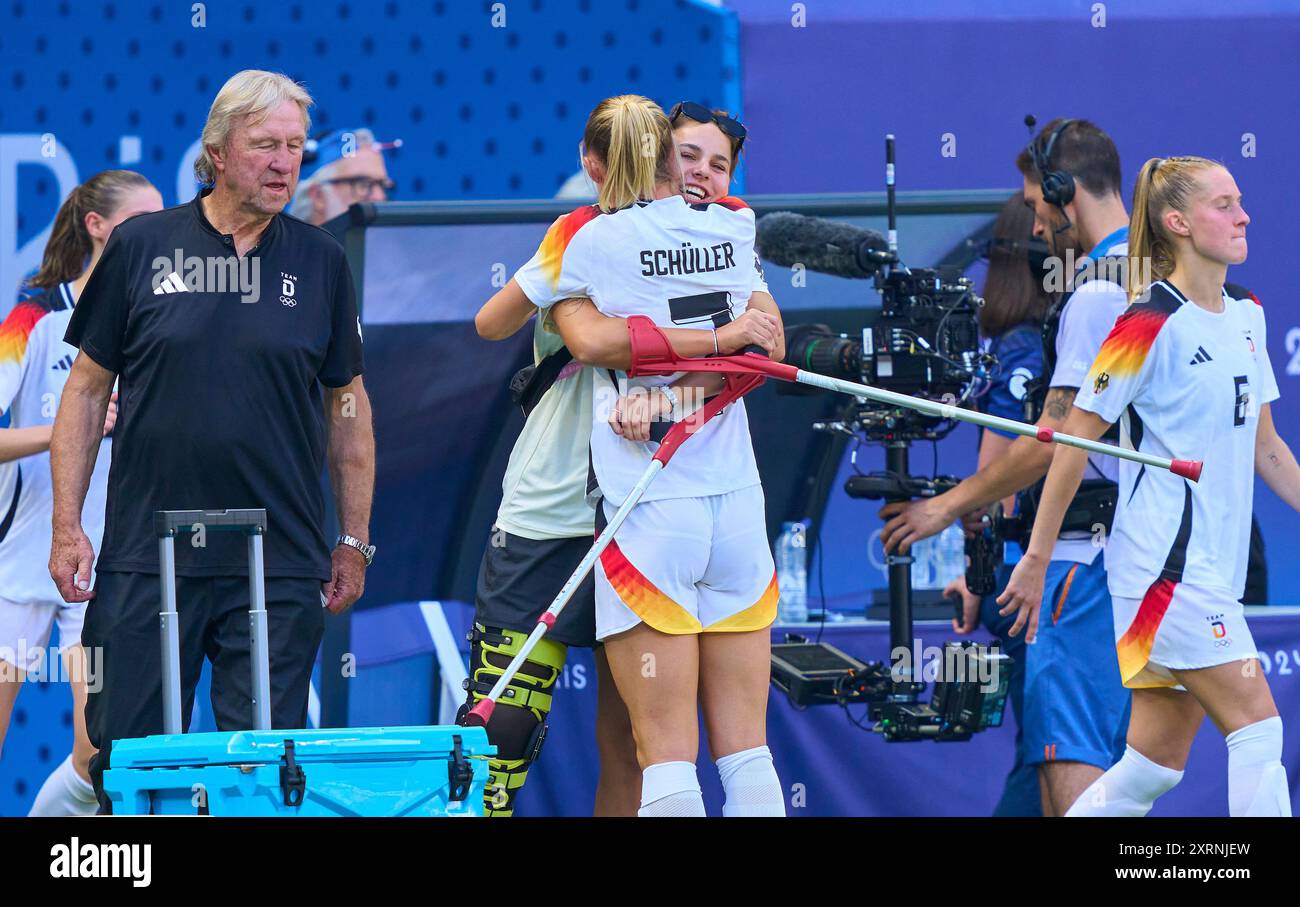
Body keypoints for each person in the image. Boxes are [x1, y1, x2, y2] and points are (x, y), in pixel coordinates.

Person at [49, 70, 374, 813]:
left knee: (260, 772)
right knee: (126, 761)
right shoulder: (142, 246)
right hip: (146, 552)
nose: (283, 162)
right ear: (217, 152)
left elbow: (347, 406)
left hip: (279, 557)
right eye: (265, 145)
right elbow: (87, 388)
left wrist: (353, 539)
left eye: (294, 146)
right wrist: (70, 525)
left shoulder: (321, 261)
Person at [469, 100, 782, 817]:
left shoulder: (726, 228)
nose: (698, 173)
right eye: (685, 157)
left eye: (718, 163)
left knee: (642, 748)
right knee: (502, 730)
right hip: (551, 515)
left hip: (645, 509)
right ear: (649, 158)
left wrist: (680, 392)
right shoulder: (582, 232)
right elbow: (591, 340)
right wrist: (717, 335)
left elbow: (766, 342)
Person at [1000, 156, 1294, 817]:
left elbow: (1268, 450)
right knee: (1258, 727)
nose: (1244, 214)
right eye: (1225, 204)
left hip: (1208, 574)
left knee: (1150, 768)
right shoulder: (1144, 322)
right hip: (1162, 575)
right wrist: (1038, 557)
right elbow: (1070, 444)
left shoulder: (1248, 316)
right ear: (1178, 221)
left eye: (1240, 200)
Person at [880, 119, 1133, 816]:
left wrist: (950, 510)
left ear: (1063, 190)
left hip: (1085, 570)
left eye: (1036, 199)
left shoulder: (1098, 294)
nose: (1036, 221)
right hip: (1137, 563)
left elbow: (1056, 438)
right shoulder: (1158, 278)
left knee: (1072, 781)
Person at [0, 170, 162, 816]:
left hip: (93, 576)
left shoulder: (154, 320)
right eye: (138, 220)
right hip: (15, 571)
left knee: (97, 754)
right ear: (97, 227)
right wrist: (71, 425)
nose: (154, 234)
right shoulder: (31, 316)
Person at [943, 192, 1050, 816]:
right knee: (1048, 754)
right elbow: (997, 471)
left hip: (1015, 569)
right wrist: (983, 572)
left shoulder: (1021, 342)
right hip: (1027, 574)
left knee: (1053, 750)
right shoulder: (1027, 349)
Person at [288, 127, 399, 226]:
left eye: (382, 185)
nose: (379, 197)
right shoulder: (284, 249)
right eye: (363, 184)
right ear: (318, 196)